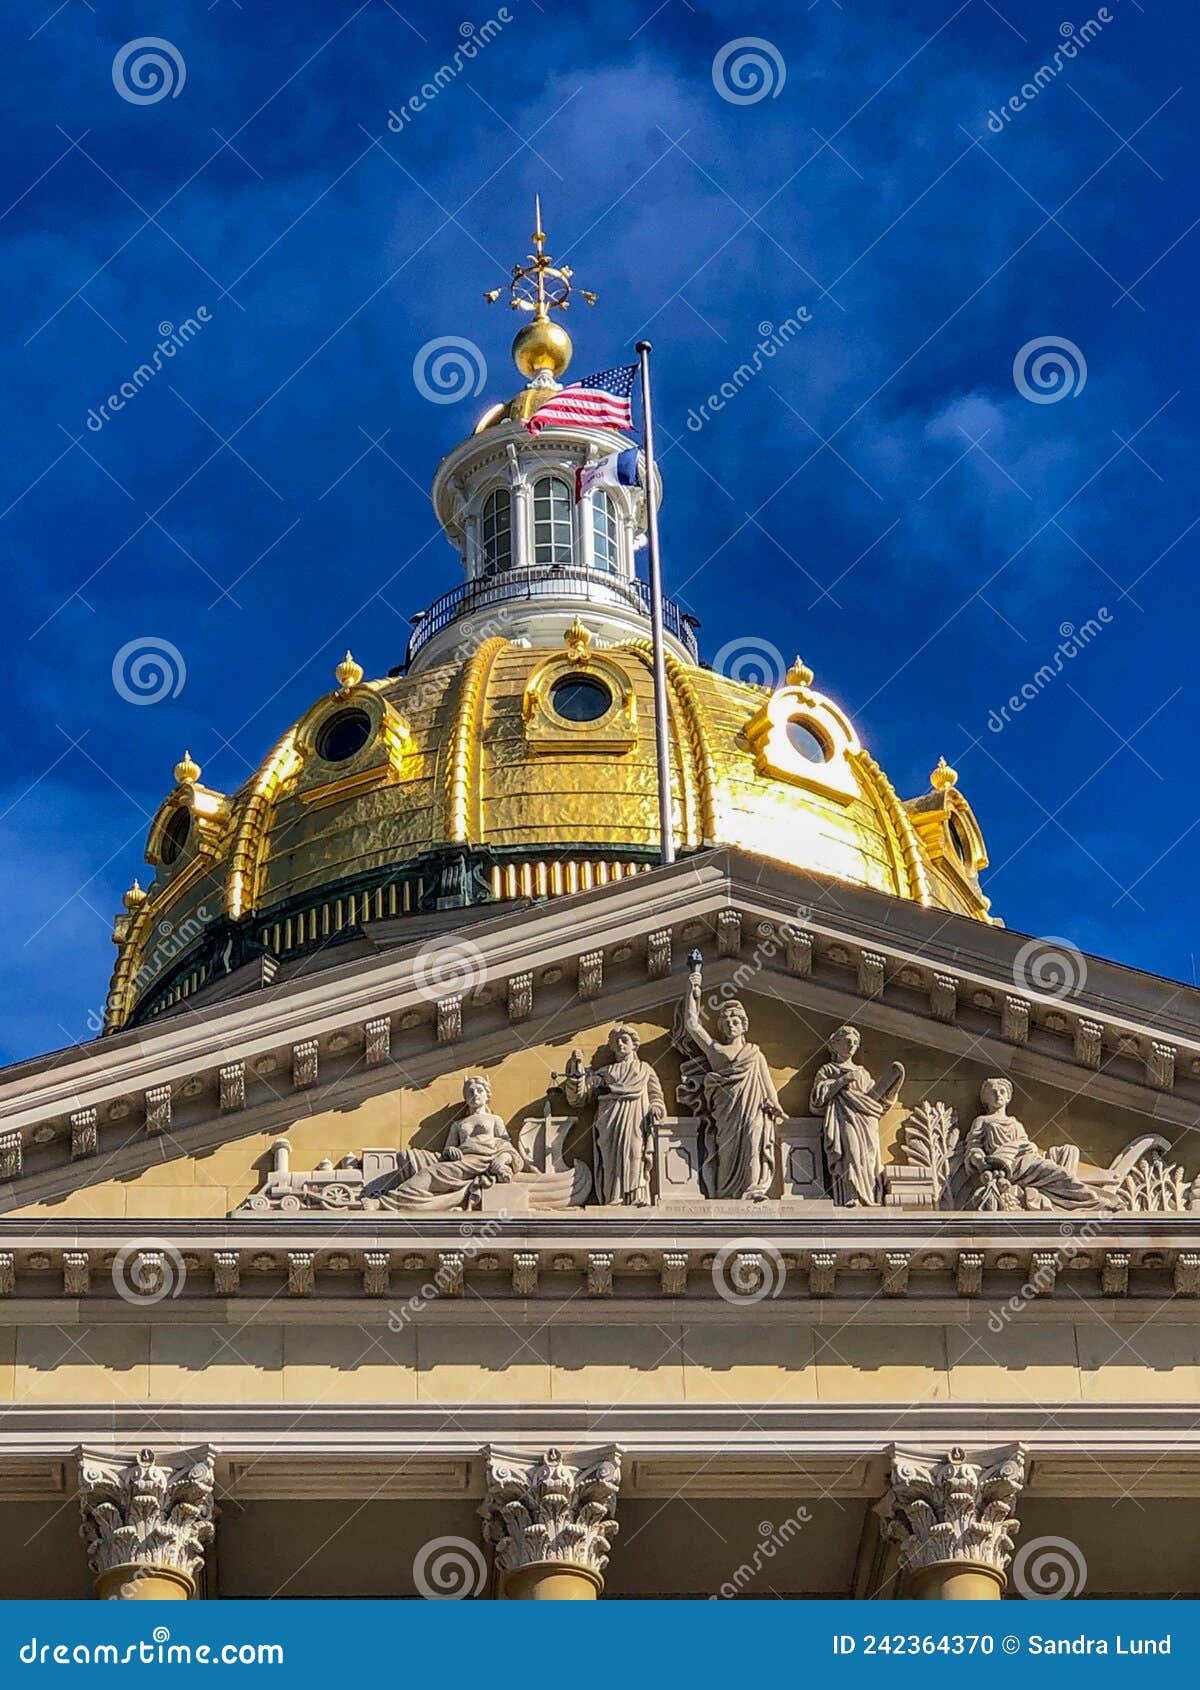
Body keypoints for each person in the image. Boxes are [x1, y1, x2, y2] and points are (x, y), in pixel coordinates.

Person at [681, 976, 782, 1201]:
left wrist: (775, 1106)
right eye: (726, 1022)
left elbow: (766, 1084)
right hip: (726, 1115)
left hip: (753, 1109)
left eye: (735, 1021)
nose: (730, 1024)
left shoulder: (755, 1053)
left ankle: (753, 1190)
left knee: (754, 1141)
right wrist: (691, 990)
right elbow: (692, 1024)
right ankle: (726, 1194)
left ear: (744, 1024)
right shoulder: (715, 1050)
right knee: (726, 1151)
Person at [382, 1074, 525, 1211]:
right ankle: (393, 1201)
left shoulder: (495, 1119)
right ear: (466, 1097)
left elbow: (507, 1147)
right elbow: (447, 1149)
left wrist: (501, 1159)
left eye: (479, 1090)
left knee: (430, 1173)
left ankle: (383, 1203)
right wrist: (450, 1150)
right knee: (424, 1170)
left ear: (487, 1095)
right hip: (463, 1161)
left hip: (487, 1159)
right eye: (470, 1092)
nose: (475, 1094)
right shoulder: (458, 1124)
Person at [562, 1026, 665, 1207]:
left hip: (636, 1120)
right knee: (610, 1161)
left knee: (635, 1153)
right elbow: (579, 1098)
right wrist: (576, 1071)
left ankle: (635, 1197)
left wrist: (656, 1108)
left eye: (624, 1040)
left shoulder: (644, 1070)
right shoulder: (605, 1072)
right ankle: (613, 1197)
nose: (620, 1044)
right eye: (615, 1042)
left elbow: (656, 1096)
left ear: (634, 1045)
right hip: (609, 1121)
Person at [965, 1077, 1092, 1210]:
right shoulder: (983, 1120)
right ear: (986, 1099)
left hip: (1023, 1162)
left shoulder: (1015, 1124)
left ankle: (1086, 1200)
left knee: (1057, 1172)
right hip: (1000, 1166)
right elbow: (973, 1146)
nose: (998, 1095)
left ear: (1008, 1097)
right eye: (993, 1092)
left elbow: (1026, 1145)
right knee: (1054, 1173)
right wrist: (979, 1161)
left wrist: (1029, 1148)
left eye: (1002, 1092)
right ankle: (1084, 1202)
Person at [810, 1026, 904, 1207]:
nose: (851, 1045)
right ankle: (850, 1195)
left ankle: (868, 1196)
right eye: (846, 1042)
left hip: (867, 1122)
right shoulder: (828, 1070)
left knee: (868, 1160)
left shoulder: (863, 1073)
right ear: (834, 1045)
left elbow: (876, 1101)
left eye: (854, 1043)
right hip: (844, 1118)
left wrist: (893, 1088)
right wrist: (842, 1081)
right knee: (850, 1153)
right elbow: (817, 1099)